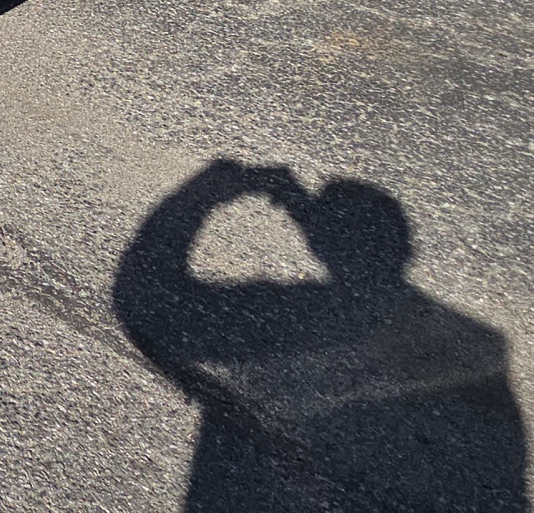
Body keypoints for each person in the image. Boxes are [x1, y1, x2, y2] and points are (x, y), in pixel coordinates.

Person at [113, 160, 526, 511]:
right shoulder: (477, 343)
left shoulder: (284, 317)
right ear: (406, 248)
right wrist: (307, 214)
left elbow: (147, 294)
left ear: (315, 243)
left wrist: (202, 193)